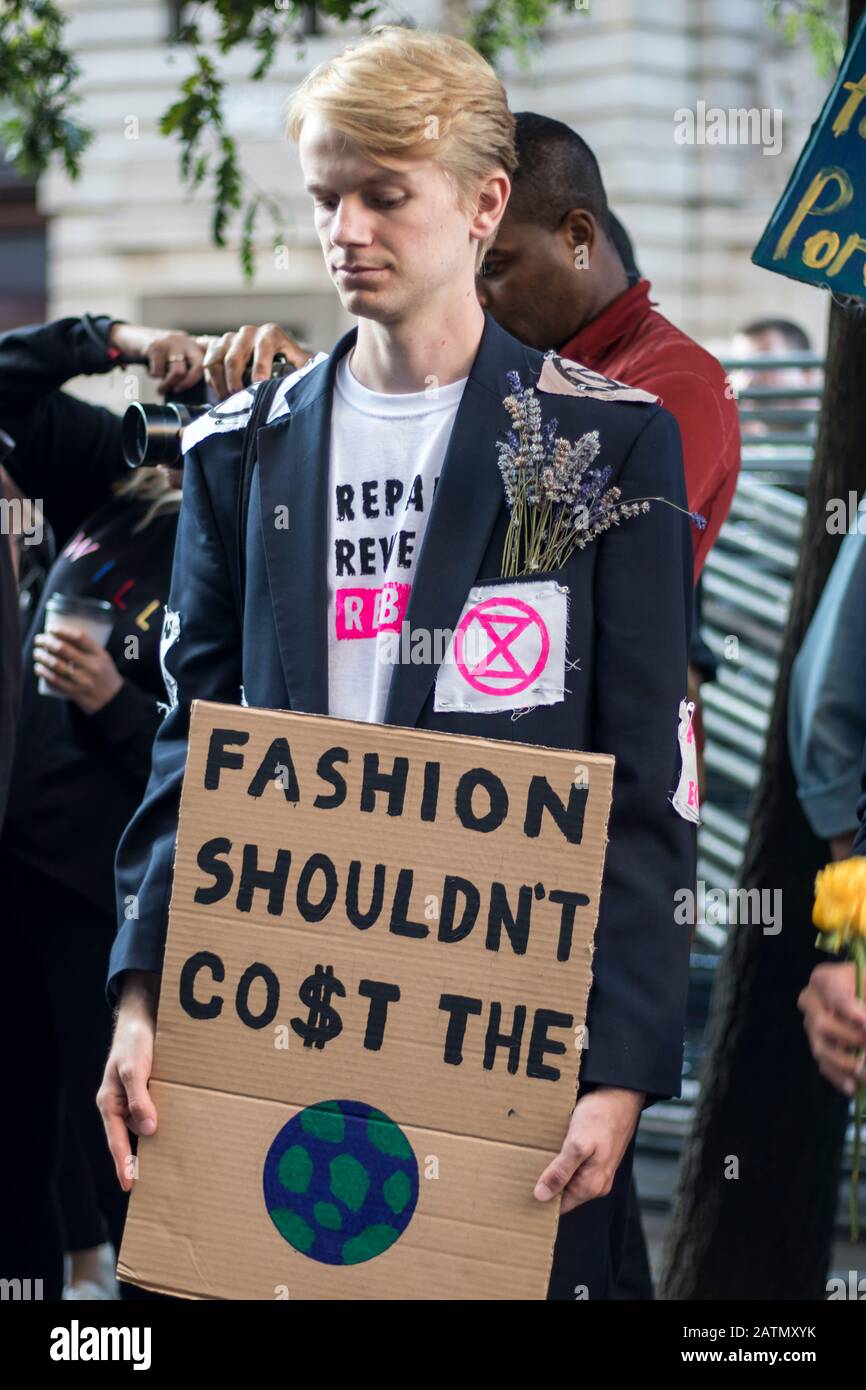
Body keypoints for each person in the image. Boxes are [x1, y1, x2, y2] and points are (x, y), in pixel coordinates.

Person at [101, 24, 698, 1302]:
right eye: (327, 197)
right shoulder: (234, 454)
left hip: (504, 1034)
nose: (346, 230)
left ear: (486, 205)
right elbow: (189, 744)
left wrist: (621, 1064)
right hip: (269, 1018)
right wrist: (141, 993)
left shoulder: (604, 446)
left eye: (385, 193)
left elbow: (641, 778)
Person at [0, 312, 206, 1300]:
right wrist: (115, 339)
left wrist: (113, 704)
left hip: (106, 898)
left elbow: (233, 758)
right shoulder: (113, 482)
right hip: (16, 873)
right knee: (15, 1157)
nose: (187, 431)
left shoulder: (248, 549)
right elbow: (4, 388)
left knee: (119, 1160)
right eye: (185, 404)